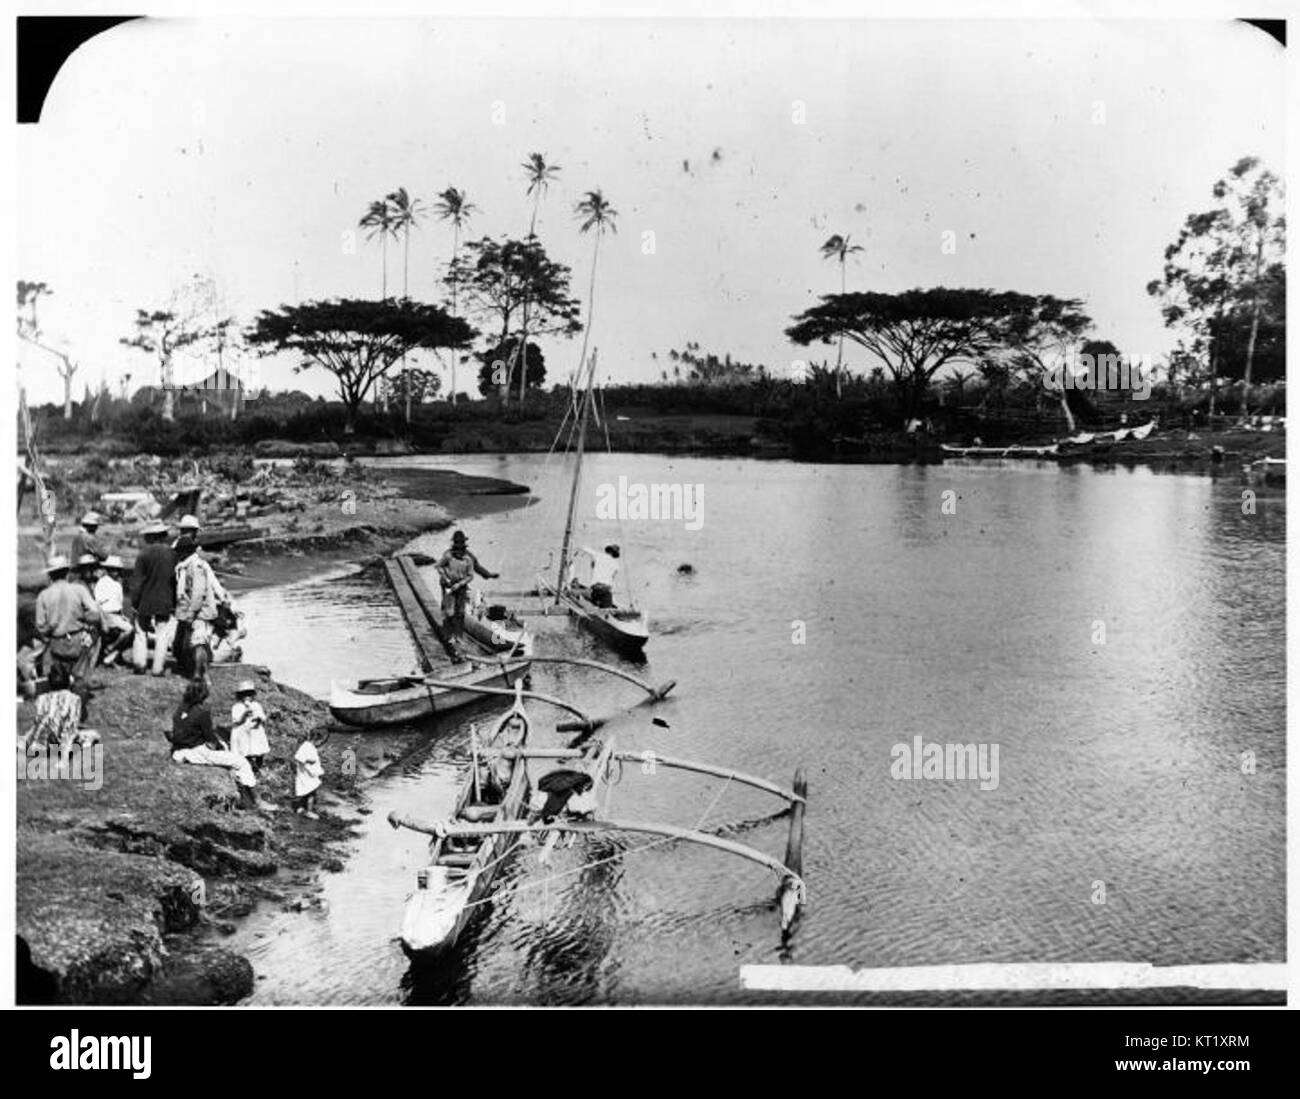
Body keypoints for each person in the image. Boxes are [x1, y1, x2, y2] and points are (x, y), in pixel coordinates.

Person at [169, 680, 272, 811]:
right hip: (196, 751)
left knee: (231, 759)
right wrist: (221, 746)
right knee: (241, 762)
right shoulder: (202, 712)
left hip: (178, 751)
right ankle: (254, 801)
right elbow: (210, 739)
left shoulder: (181, 709)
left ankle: (246, 797)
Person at [34, 555, 101, 701]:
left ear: (50, 574)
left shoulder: (43, 595)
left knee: (57, 679)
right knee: (79, 677)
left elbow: (41, 627)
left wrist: (52, 629)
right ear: (67, 572)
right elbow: (96, 613)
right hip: (78, 639)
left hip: (56, 641)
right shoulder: (79, 590)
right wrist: (84, 622)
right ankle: (77, 708)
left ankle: (58, 710)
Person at [129, 521, 177, 676]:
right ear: (162, 535)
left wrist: (134, 602)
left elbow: (137, 583)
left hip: (145, 600)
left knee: (141, 632)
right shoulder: (172, 553)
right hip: (165, 599)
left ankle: (140, 664)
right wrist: (175, 602)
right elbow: (175, 580)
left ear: (149, 536)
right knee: (162, 634)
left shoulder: (143, 554)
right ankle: (158, 668)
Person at [436, 531, 499, 644]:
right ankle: (447, 634)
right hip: (447, 584)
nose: (460, 545)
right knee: (448, 610)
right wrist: (447, 580)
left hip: (461, 584)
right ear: (454, 543)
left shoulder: (468, 557)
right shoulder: (448, 555)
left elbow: (477, 567)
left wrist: (488, 575)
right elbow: (439, 567)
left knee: (460, 611)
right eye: (458, 543)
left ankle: (458, 635)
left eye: (461, 543)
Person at [173, 536, 220, 681]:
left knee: (198, 643)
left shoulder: (196, 566)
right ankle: (192, 670)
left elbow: (198, 592)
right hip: (187, 609)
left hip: (199, 612)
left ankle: (200, 674)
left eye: (179, 551)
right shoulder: (185, 566)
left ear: (185, 551)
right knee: (181, 643)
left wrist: (191, 613)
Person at [22, 665, 81, 755]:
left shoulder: (41, 698)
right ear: (68, 681)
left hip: (35, 744)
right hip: (55, 746)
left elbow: (37, 722)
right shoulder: (74, 699)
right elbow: (70, 727)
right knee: (93, 735)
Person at [93, 555, 134, 666]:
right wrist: (103, 619)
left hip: (116, 615)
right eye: (112, 569)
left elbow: (118, 603)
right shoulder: (103, 582)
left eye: (116, 569)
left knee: (134, 632)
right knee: (130, 630)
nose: (115, 572)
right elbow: (98, 603)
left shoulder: (117, 584)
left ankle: (113, 654)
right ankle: (110, 649)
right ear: (107, 570)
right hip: (107, 614)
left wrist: (122, 615)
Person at [230, 679, 270, 775]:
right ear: (240, 696)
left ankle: (259, 766)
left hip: (255, 731)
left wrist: (259, 718)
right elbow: (237, 721)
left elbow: (263, 717)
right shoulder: (237, 706)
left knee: (259, 750)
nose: (247, 698)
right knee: (245, 750)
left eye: (249, 695)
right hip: (243, 732)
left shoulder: (256, 705)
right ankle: (249, 768)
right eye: (244, 695)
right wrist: (244, 714)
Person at [293, 730, 324, 819]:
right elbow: (298, 758)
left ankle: (300, 807)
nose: (320, 743)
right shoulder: (306, 746)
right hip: (307, 774)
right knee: (311, 792)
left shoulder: (309, 746)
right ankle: (309, 812)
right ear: (315, 739)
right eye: (319, 741)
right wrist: (309, 761)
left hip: (308, 773)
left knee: (305, 791)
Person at [588, 544, 621, 608]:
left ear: (608, 551)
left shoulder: (599, 556)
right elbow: (612, 578)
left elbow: (588, 551)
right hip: (606, 590)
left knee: (595, 597)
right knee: (607, 605)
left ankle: (596, 604)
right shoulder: (616, 564)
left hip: (595, 588)